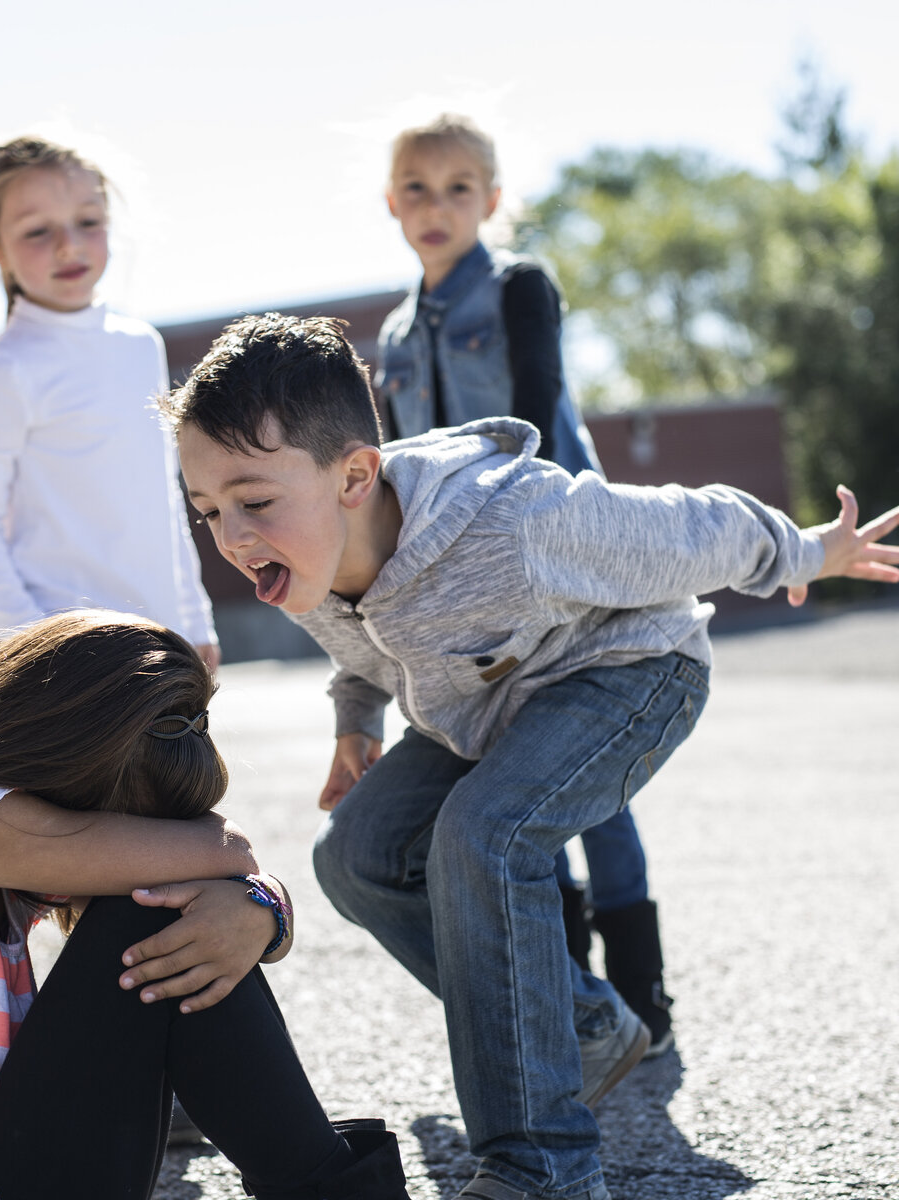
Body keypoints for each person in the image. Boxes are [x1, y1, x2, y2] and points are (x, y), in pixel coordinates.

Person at [162, 312, 899, 1200]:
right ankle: (583, 1027)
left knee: (485, 833)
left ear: (356, 474)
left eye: (253, 500)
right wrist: (354, 721)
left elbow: (689, 527)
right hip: (487, 708)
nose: (232, 537)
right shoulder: (298, 555)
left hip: (630, 674)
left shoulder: (514, 522)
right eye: (207, 511)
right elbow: (358, 649)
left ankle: (542, 1164)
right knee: (353, 856)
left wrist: (811, 549)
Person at [0, 610, 411, 1200]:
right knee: (154, 912)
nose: (130, 850)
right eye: (129, 826)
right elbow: (226, 850)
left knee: (175, 914)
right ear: (72, 764)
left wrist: (262, 908)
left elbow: (227, 869)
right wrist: (256, 899)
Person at [375, 112, 671, 1053]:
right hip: (465, 591)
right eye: (417, 188)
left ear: (492, 201)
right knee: (513, 781)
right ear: (392, 203)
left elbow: (538, 415)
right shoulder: (391, 333)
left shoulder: (518, 289)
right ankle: (578, 1003)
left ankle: (643, 994)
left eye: (459, 187)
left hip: (561, 563)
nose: (437, 205)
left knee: (593, 786)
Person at [0, 136, 219, 672]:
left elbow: (164, 497)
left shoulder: (141, 344)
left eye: (87, 222)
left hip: (165, 643)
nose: (68, 246)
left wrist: (195, 619)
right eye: (37, 231)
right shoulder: (3, 369)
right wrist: (35, 645)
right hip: (72, 661)